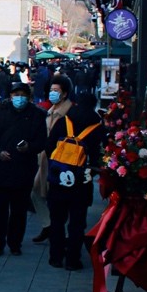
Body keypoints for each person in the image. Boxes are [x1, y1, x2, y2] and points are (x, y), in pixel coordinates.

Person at [43, 76, 104, 270]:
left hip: (59, 179)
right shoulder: (97, 126)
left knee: (57, 220)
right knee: (77, 222)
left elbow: (49, 147)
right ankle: (73, 259)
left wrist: (58, 164)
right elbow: (99, 155)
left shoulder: (64, 121)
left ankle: (55, 256)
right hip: (82, 182)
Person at [0, 82, 48, 258]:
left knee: (19, 211)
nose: (19, 98)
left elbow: (42, 141)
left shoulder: (36, 115)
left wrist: (29, 147)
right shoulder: (1, 113)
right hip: (0, 169)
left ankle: (15, 243)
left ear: (28, 97)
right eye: (15, 95)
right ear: (10, 96)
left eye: (22, 95)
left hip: (24, 168)